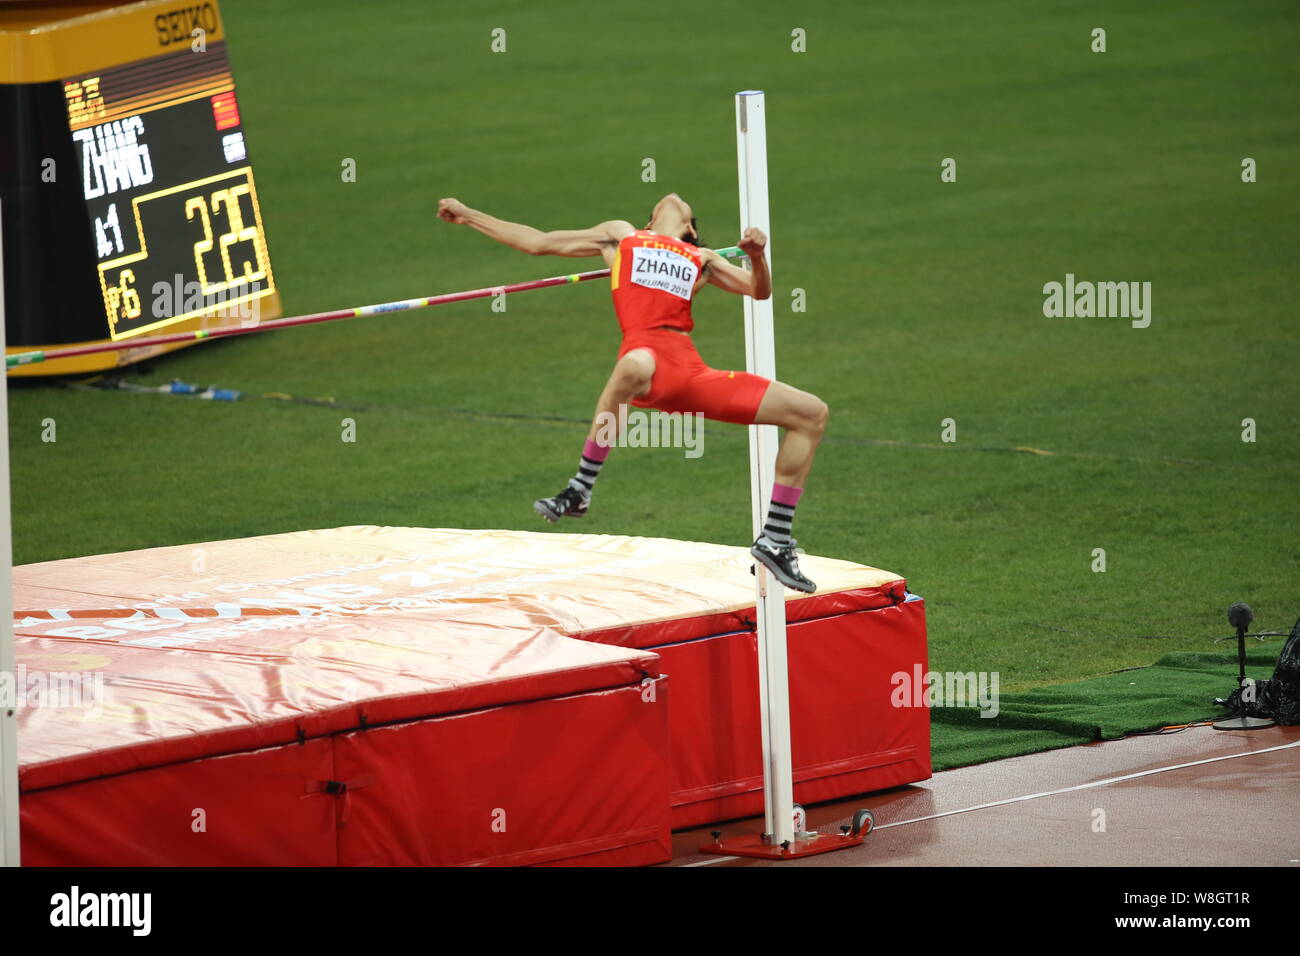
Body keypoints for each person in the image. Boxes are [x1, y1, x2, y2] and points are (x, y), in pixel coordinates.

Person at [436, 193, 829, 593]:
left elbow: (758, 291)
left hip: (691, 372)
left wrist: (758, 256)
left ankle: (776, 538)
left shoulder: (703, 259)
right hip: (646, 359)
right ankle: (580, 488)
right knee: (634, 365)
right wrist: (469, 216)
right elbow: (538, 242)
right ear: (653, 217)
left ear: (690, 228)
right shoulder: (620, 236)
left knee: (811, 413)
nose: (673, 197)